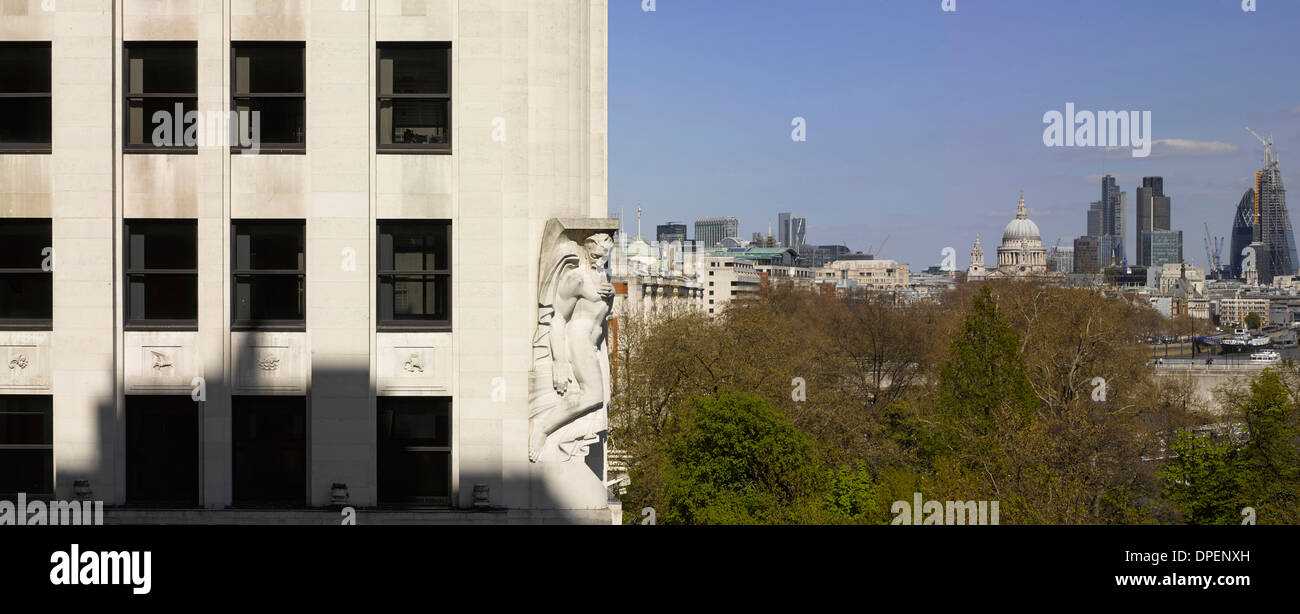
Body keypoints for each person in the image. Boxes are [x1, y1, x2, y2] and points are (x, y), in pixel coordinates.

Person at [529, 233, 615, 462]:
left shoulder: (604, 276)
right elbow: (557, 319)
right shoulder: (576, 278)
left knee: (603, 398)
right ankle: (543, 428)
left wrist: (611, 292)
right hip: (579, 340)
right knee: (594, 395)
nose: (599, 261)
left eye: (604, 256)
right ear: (586, 252)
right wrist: (559, 362)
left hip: (596, 345)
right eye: (595, 256)